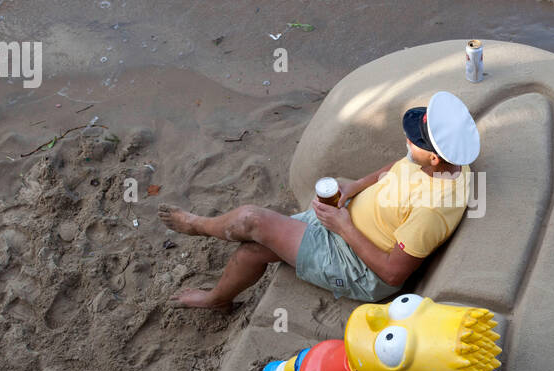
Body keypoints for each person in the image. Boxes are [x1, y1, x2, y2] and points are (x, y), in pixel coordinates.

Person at [159, 90, 480, 309]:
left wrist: (342, 228)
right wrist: (354, 187)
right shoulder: (444, 161)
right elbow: (393, 169)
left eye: (414, 140)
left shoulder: (433, 209)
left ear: (436, 159)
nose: (408, 141)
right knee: (252, 251)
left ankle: (196, 225)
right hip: (348, 224)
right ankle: (217, 298)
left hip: (358, 266)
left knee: (253, 220)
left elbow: (393, 274)